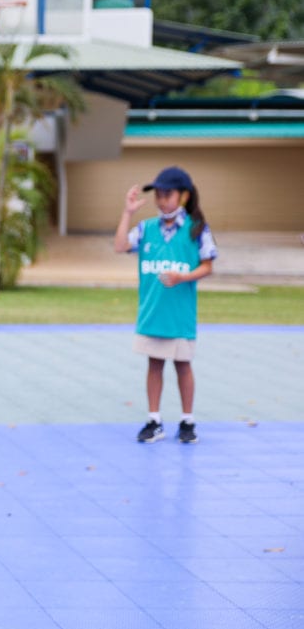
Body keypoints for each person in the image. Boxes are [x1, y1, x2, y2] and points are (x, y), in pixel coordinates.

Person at [113, 165, 216, 445]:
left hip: (180, 315)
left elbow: (208, 266)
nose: (161, 200)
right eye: (158, 194)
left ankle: (187, 420)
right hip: (152, 313)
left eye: (167, 194)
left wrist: (183, 276)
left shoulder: (197, 229)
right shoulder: (146, 229)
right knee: (154, 365)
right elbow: (120, 246)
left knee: (183, 366)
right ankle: (154, 419)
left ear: (183, 196)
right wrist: (128, 213)